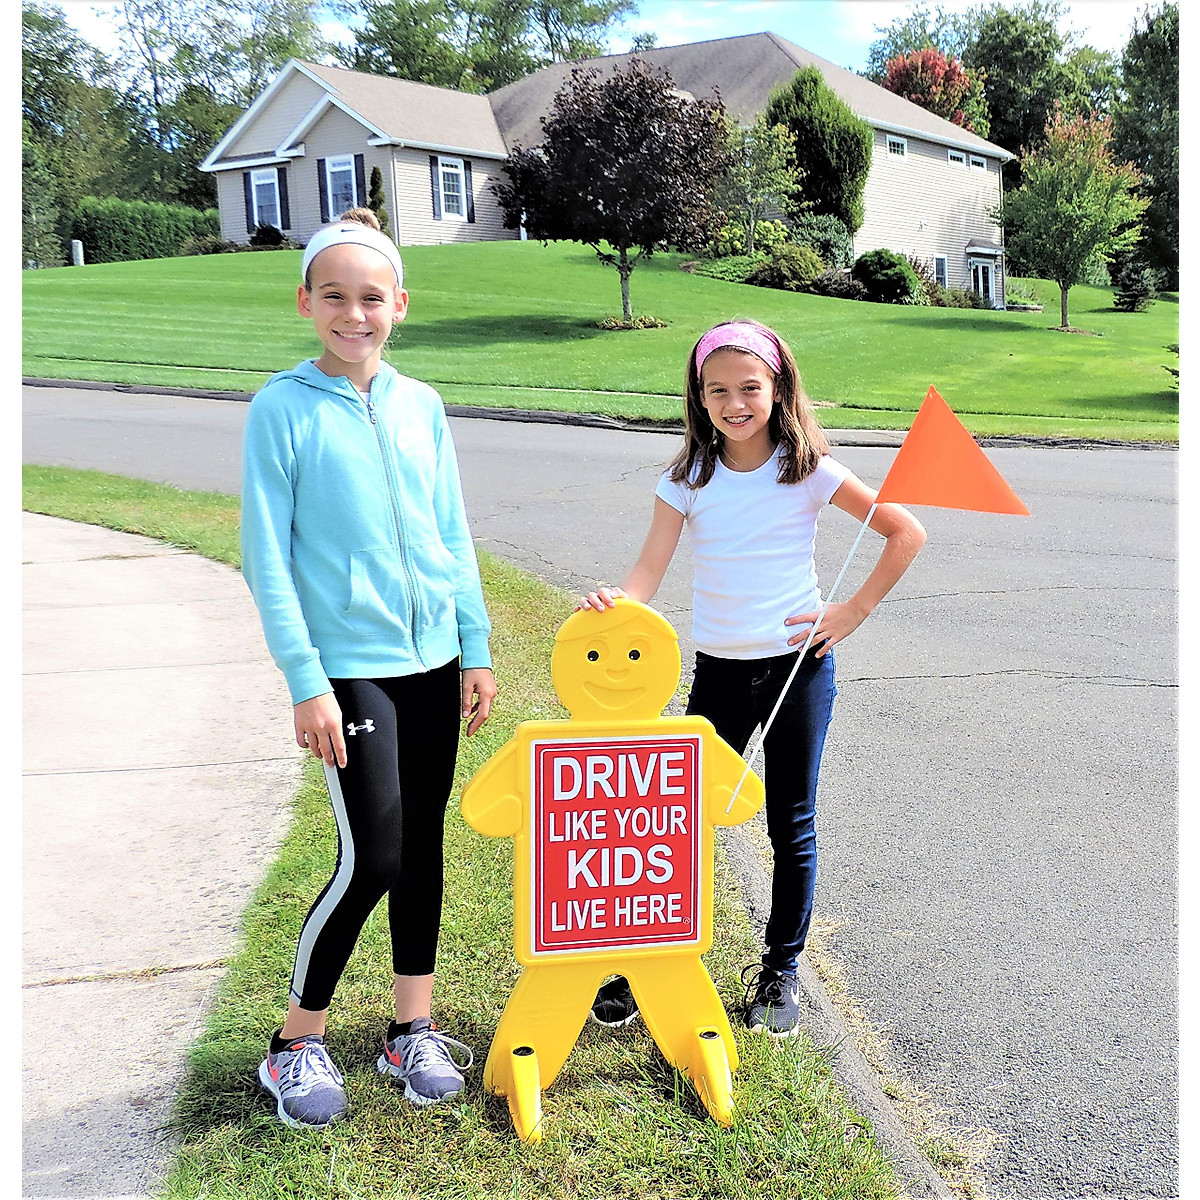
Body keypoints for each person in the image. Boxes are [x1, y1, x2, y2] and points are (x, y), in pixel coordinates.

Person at [579, 318, 926, 1038]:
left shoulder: (810, 471)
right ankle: (650, 961)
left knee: (789, 823)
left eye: (750, 388)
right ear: (698, 398)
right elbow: (647, 572)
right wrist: (615, 602)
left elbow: (905, 531)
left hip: (800, 670)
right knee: (680, 821)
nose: (735, 403)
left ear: (778, 388)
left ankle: (780, 972)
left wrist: (853, 610)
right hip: (719, 677)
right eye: (718, 391)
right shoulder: (686, 481)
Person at [240, 207, 497, 1127]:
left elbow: (451, 532)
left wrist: (476, 648)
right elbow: (268, 556)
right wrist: (306, 680)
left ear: (401, 305)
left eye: (373, 298)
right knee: (375, 853)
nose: (356, 315)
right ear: (306, 301)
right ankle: (294, 1044)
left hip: (434, 660)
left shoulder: (422, 406)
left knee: (422, 845)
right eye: (336, 297)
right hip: (349, 670)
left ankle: (408, 1028)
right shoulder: (281, 408)